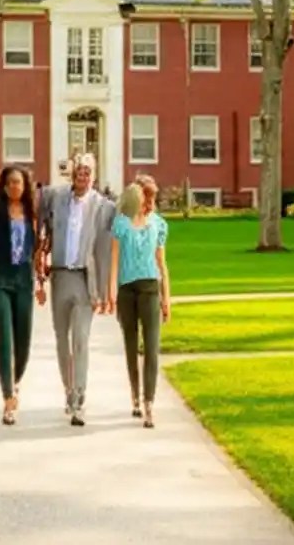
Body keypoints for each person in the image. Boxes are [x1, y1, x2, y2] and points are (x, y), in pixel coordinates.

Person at [38, 153, 114, 427]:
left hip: (85, 279)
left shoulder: (104, 207)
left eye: (87, 171)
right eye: (78, 170)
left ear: (94, 175)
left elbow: (117, 238)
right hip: (60, 275)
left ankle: (80, 399)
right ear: (72, 173)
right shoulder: (56, 198)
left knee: (80, 339)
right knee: (61, 338)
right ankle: (68, 391)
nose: (82, 176)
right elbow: (35, 214)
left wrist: (106, 291)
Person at [108, 179, 170, 429]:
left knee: (152, 347)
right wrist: (110, 292)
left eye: (152, 197)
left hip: (150, 289)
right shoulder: (121, 224)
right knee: (131, 345)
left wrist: (167, 296)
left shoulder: (158, 224)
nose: (150, 203)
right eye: (147, 197)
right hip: (126, 290)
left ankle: (149, 403)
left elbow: (162, 263)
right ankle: (135, 396)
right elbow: (114, 261)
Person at [0, 165, 44, 426]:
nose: (13, 187)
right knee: (4, 338)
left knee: (23, 341)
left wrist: (41, 280)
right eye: (9, 183)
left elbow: (39, 251)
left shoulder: (33, 214)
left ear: (25, 186)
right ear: (3, 186)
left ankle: (15, 380)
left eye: (18, 183)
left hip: (23, 281)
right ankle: (8, 398)